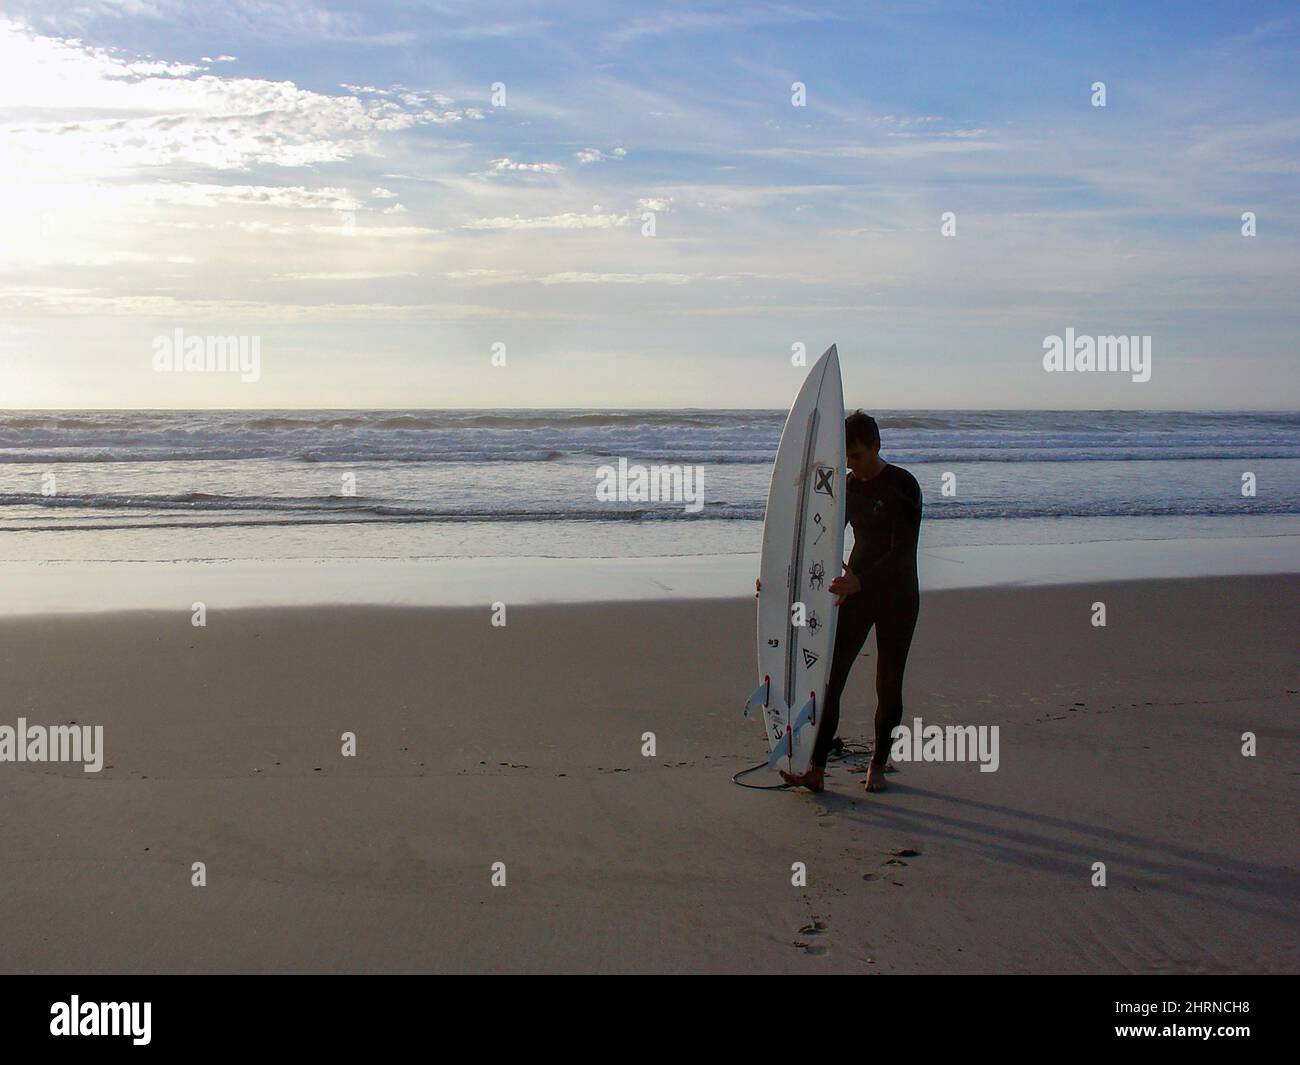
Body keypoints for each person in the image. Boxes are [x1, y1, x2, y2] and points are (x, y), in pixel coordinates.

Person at [760, 412, 922, 794]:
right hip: (855, 591)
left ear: (876, 446)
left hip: (897, 596)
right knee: (829, 681)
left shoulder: (903, 485)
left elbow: (903, 553)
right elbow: (819, 541)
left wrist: (860, 580)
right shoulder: (847, 488)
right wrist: (777, 583)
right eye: (847, 457)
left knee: (888, 682)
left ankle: (878, 764)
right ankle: (815, 768)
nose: (853, 464)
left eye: (858, 455)